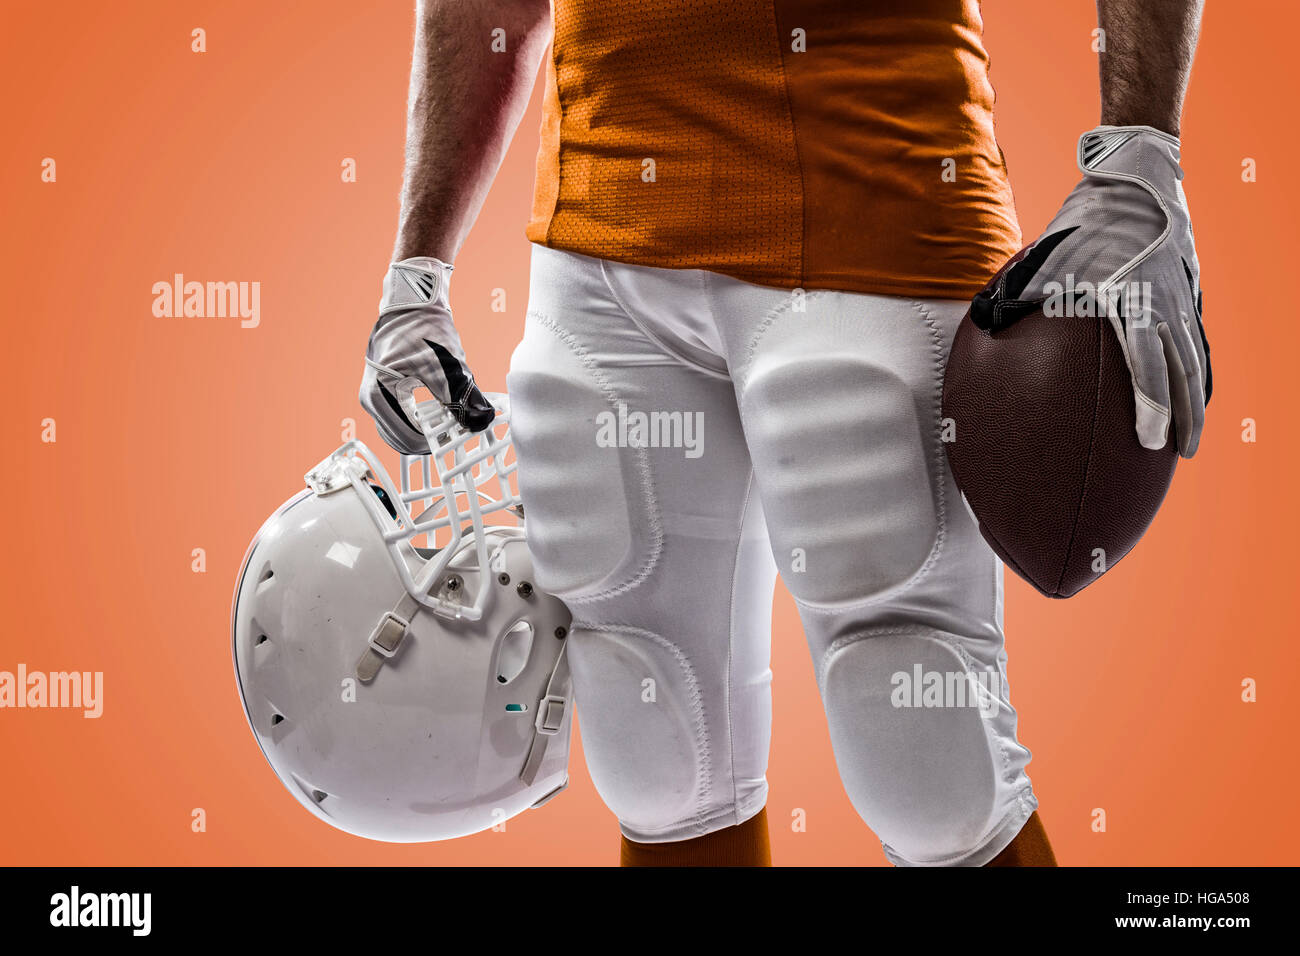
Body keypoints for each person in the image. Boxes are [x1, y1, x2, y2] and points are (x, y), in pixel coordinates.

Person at [359, 0, 1209, 866]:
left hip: (873, 207)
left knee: (929, 765)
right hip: (598, 242)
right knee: (658, 759)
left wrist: (1139, 153)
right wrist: (417, 268)